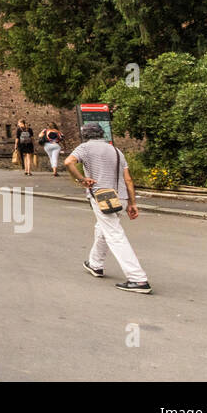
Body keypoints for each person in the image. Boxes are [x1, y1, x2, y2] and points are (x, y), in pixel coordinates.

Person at [64, 123, 150, 294]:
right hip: (121, 197)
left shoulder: (85, 148)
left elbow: (68, 162)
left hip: (103, 198)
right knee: (103, 230)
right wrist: (132, 203)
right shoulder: (116, 151)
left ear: (85, 135)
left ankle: (137, 278)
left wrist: (82, 179)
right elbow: (128, 180)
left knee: (114, 235)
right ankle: (95, 264)